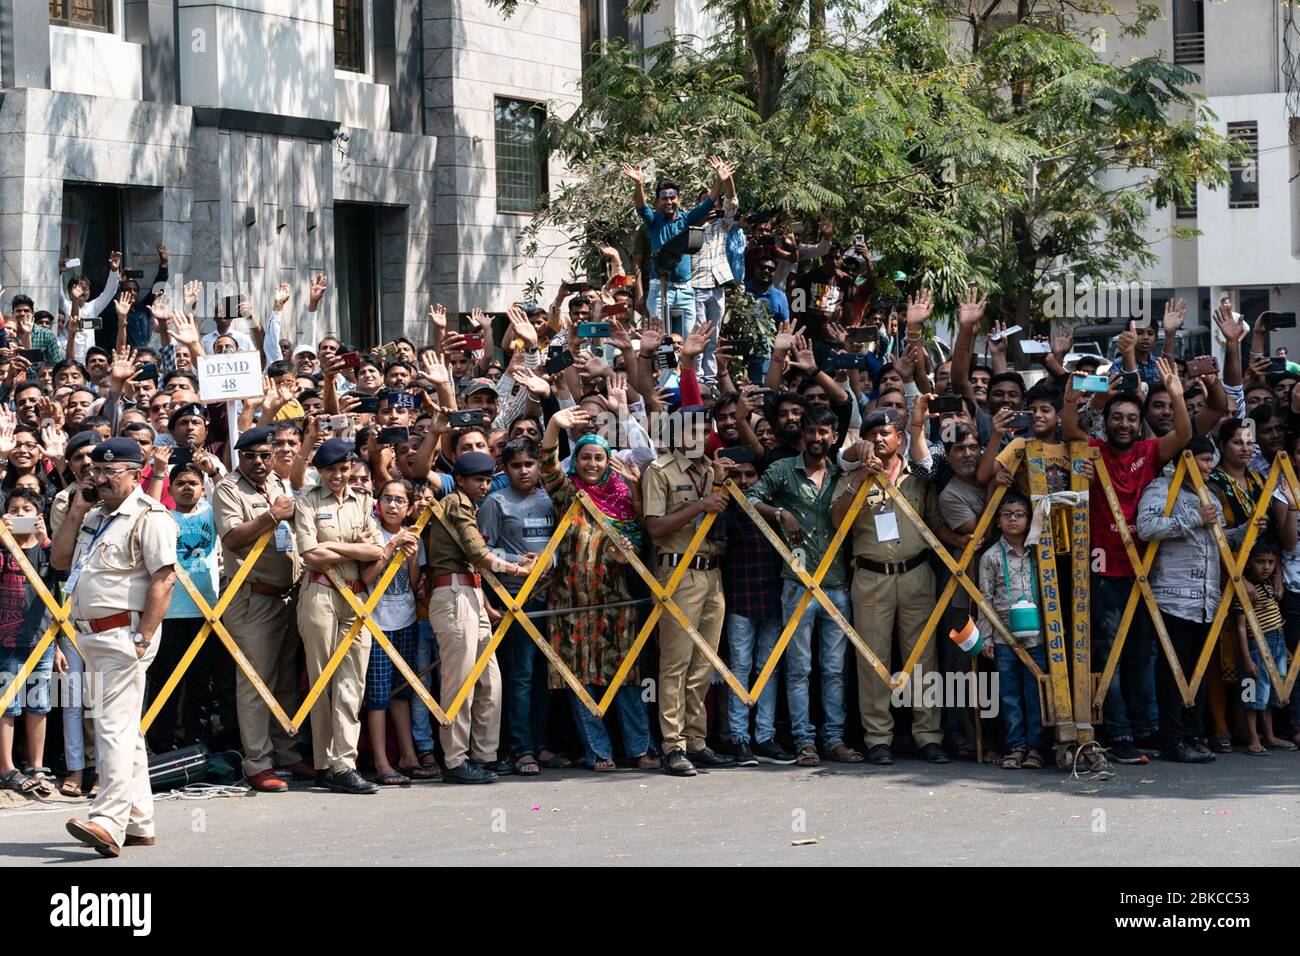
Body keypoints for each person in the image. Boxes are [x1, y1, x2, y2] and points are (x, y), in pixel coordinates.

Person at [1063, 356, 1192, 764]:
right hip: (1103, 575)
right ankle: (1118, 736)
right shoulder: (1094, 450)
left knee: (1142, 655)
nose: (1124, 424)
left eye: (1131, 419)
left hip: (1142, 572)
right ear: (1108, 422)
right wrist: (1073, 398)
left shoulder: (1150, 451)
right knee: (1110, 657)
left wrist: (1175, 395)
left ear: (1140, 425)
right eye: (1117, 417)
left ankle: (1146, 729)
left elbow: (1185, 434)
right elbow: (1069, 428)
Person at [52, 437, 177, 857]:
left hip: (122, 634)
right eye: (95, 472)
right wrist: (77, 509)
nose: (99, 479)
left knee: (111, 727)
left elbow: (164, 579)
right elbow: (59, 561)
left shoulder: (149, 516)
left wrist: (143, 635)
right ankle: (140, 821)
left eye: (110, 472)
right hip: (92, 635)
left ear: (134, 472)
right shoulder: (95, 515)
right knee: (123, 728)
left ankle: (108, 820)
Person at [539, 410, 658, 771]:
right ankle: (597, 752)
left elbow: (639, 537)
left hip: (616, 602)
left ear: (609, 462)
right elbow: (546, 466)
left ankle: (639, 749)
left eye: (599, 458)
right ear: (576, 461)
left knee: (626, 678)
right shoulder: (567, 492)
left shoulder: (623, 496)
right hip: (570, 604)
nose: (591, 464)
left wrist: (625, 553)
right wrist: (554, 426)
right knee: (581, 680)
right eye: (585, 457)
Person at [830, 408, 948, 765]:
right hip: (871, 577)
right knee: (873, 659)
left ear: (901, 438)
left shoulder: (918, 475)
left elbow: (935, 521)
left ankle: (928, 736)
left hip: (916, 575)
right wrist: (859, 480)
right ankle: (878, 738)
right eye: (873, 434)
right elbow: (838, 520)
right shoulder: (853, 475)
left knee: (923, 658)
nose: (880, 439)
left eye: (887, 433)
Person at [745, 405, 861, 766]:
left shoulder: (843, 472)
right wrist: (781, 513)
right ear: (802, 433)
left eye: (823, 432)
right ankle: (804, 740)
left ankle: (834, 739)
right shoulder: (782, 470)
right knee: (799, 669)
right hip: (797, 582)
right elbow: (750, 500)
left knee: (835, 669)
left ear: (834, 436)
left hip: (837, 583)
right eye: (811, 431)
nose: (816, 438)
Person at [212, 426, 313, 792]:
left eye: (265, 455)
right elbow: (233, 538)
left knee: (284, 678)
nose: (259, 462)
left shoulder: (279, 484)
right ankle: (258, 761)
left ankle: (285, 752)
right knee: (255, 681)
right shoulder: (228, 488)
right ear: (240, 457)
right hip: (252, 598)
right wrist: (271, 516)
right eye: (251, 456)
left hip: (288, 595)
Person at [425, 451, 534, 783]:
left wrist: (484, 602)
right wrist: (517, 568)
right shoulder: (457, 502)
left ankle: (483, 755)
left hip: (470, 593)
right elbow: (476, 552)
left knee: (490, 680)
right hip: (453, 596)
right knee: (460, 684)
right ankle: (456, 760)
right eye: (478, 480)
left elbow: (471, 562)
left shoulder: (466, 503)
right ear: (459, 480)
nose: (484, 485)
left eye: (487, 480)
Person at [642, 406, 736, 776]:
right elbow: (655, 527)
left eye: (703, 430)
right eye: (692, 431)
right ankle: (673, 744)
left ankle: (697, 740)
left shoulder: (711, 471)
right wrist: (700, 504)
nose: (699, 437)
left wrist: (720, 484)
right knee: (675, 663)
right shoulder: (659, 471)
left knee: (703, 664)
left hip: (712, 573)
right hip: (677, 573)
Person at [294, 437, 386, 795]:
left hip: (355, 594)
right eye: (331, 469)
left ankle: (344, 763)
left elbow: (376, 549)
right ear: (321, 471)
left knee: (352, 682)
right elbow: (309, 554)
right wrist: (353, 550)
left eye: (344, 469)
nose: (338, 475)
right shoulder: (307, 502)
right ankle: (323, 762)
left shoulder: (363, 501)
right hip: (319, 591)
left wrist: (334, 546)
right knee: (322, 680)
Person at [1135, 435, 1234, 763]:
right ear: (1186, 460)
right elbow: (1146, 527)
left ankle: (1194, 734)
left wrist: (1249, 530)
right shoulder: (1160, 489)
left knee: (1199, 669)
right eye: (1204, 460)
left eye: (1211, 460)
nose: (1210, 467)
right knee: (1172, 670)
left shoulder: (1210, 498)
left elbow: (1219, 540)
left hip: (1207, 599)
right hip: (1172, 598)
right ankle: (1172, 739)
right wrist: (1193, 518)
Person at [477, 437, 557, 775]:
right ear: (504, 469)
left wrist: (549, 561)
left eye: (529, 464)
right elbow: (482, 554)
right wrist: (516, 561)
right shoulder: (495, 503)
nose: (523, 471)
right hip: (513, 601)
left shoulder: (549, 499)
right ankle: (520, 748)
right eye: (515, 465)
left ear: (539, 464)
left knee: (546, 674)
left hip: (549, 598)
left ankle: (541, 743)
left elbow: (563, 542)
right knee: (520, 674)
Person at [721, 454, 793, 765]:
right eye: (737, 475)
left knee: (769, 669)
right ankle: (739, 738)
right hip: (739, 599)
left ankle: (765, 736)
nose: (744, 482)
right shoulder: (725, 510)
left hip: (772, 598)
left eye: (750, 474)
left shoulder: (771, 510)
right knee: (739, 669)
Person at [144, 462, 220, 755]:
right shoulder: (163, 517)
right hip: (170, 613)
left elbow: (226, 498)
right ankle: (162, 746)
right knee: (166, 682)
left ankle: (196, 744)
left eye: (193, 482)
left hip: (205, 613)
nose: (187, 487)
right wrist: (160, 472)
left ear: (202, 488)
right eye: (181, 483)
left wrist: (213, 471)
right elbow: (147, 508)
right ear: (171, 489)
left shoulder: (212, 515)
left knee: (200, 684)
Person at [361, 478, 430, 784]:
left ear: (409, 507)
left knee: (401, 691)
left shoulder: (414, 535)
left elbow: (414, 586)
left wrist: (412, 555)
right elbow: (366, 577)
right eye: (386, 499)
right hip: (376, 622)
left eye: (399, 500)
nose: (392, 505)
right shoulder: (371, 534)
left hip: (405, 619)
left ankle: (408, 755)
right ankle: (381, 761)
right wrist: (390, 547)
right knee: (377, 696)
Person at [977, 493, 1047, 770]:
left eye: (1019, 513)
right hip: (1004, 636)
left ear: (1030, 519)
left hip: (1036, 637)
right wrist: (986, 636)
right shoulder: (991, 557)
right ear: (998, 520)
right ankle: (1015, 745)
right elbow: (984, 598)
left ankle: (1036, 747)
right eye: (1007, 514)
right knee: (1009, 694)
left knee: (1035, 692)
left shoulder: (1041, 554)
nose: (1013, 519)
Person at [0, 488, 55, 796]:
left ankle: (37, 765)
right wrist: (3, 540)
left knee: (40, 703)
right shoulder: (1, 547)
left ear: (38, 516)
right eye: (13, 509)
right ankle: (7, 767)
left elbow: (62, 578)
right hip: (6, 638)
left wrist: (45, 538)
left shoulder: (46, 549)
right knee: (6, 705)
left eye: (26, 509)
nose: (19, 514)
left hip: (42, 637)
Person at [1234, 539, 1297, 755]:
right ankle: (1253, 736)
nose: (1266, 567)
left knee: (1270, 692)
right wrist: (1248, 659)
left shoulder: (1270, 586)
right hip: (1255, 646)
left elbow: (1276, 620)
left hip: (1277, 641)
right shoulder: (1245, 591)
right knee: (1251, 693)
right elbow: (1241, 628)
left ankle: (1269, 735)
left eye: (1271, 562)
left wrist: (1286, 648)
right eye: (1261, 562)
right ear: (1249, 563)